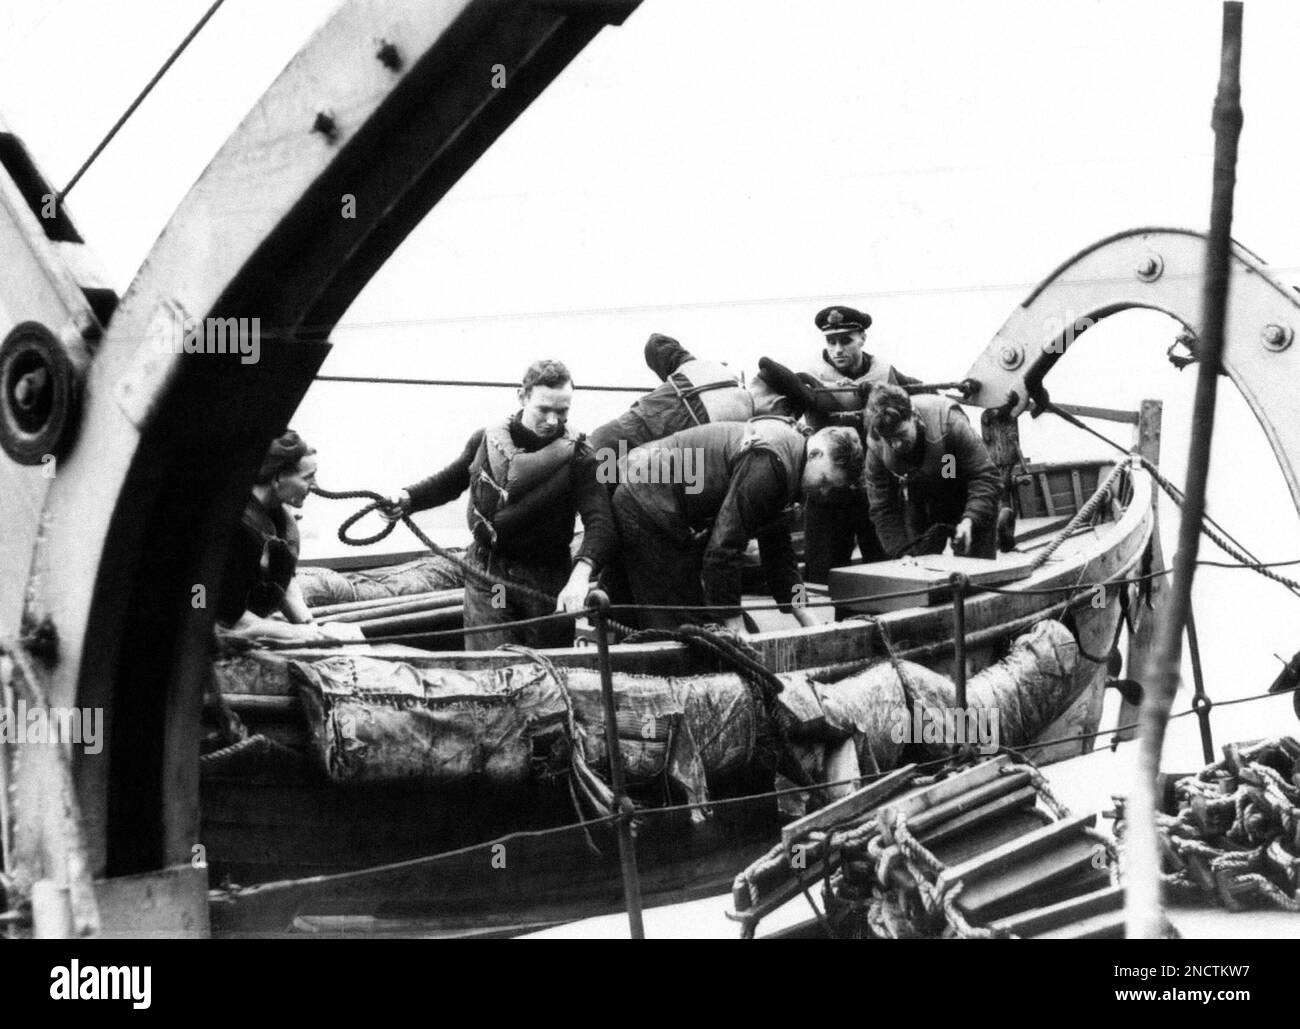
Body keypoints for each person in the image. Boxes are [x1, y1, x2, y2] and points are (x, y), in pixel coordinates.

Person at [384, 360, 617, 650]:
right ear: (522, 396)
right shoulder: (486, 440)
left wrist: (580, 578)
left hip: (546, 582)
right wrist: (408, 499)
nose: (553, 421)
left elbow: (600, 523)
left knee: (547, 670)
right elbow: (451, 480)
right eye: (544, 410)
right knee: (492, 663)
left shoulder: (581, 456)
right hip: (492, 579)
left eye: (562, 411)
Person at [610, 416, 864, 631]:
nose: (823, 492)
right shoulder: (770, 464)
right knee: (682, 622)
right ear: (816, 454)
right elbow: (723, 549)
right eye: (824, 481)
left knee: (685, 614)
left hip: (661, 502)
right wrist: (737, 630)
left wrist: (807, 617)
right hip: (646, 500)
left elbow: (780, 555)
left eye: (830, 488)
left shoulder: (790, 465)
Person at [755, 305, 921, 583]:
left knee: (884, 565)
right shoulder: (809, 380)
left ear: (862, 339)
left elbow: (918, 396)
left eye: (846, 340)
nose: (838, 349)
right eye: (831, 341)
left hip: (875, 488)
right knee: (822, 571)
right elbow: (774, 406)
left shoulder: (886, 374)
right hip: (826, 491)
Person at [586, 333, 811, 459]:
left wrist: (688, 370)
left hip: (601, 440)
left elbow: (656, 343)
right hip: (628, 466)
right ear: (778, 403)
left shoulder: (707, 369)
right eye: (785, 417)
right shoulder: (741, 430)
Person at [215, 430, 332, 644]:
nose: (314, 485)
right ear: (277, 478)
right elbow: (231, 617)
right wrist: (294, 633)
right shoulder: (233, 528)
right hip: (199, 601)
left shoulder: (279, 518)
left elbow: (285, 582)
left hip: (248, 616)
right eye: (308, 477)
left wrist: (308, 624)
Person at [863, 384, 1001, 559]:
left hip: (958, 480)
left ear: (913, 417)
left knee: (978, 570)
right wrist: (900, 553)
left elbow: (985, 477)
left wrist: (970, 520)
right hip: (923, 496)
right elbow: (882, 507)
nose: (896, 445)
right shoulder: (876, 448)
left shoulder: (951, 423)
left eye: (901, 434)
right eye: (889, 440)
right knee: (916, 566)